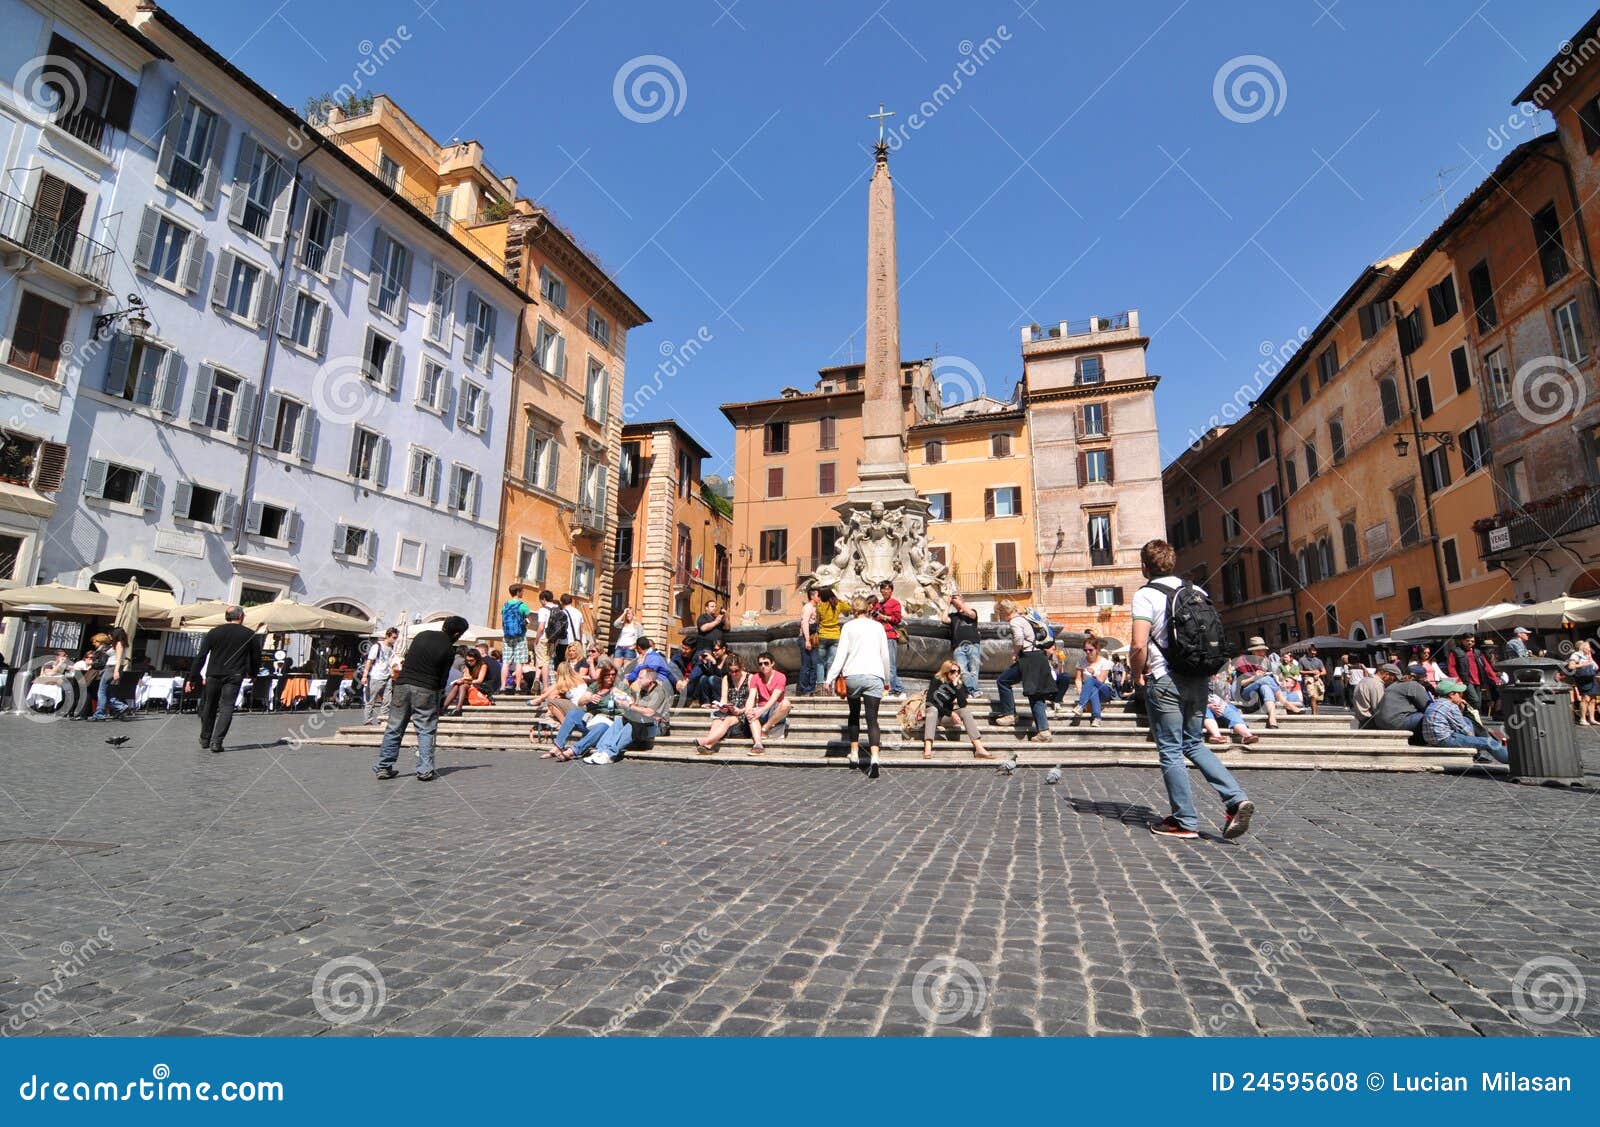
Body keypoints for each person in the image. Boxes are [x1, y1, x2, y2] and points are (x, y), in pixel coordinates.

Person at [1129, 539, 1254, 841]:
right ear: (1173, 563)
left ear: (1144, 566)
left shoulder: (1146, 595)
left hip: (1165, 678)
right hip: (1199, 678)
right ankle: (1235, 799)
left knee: (1171, 749)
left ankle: (1184, 820)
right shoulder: (1197, 591)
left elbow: (1137, 644)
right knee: (1194, 743)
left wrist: (1136, 676)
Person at [373, 616, 468, 780]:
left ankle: (383, 766)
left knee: (394, 728)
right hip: (426, 688)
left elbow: (409, 658)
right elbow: (442, 678)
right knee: (425, 730)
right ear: (457, 633)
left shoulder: (422, 635)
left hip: (403, 684)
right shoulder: (449, 649)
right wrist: (440, 701)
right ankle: (424, 769)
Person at [825, 594, 892, 778]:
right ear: (868, 609)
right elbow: (885, 655)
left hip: (853, 675)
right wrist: (887, 679)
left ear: (853, 611)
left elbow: (840, 655)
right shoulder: (878, 626)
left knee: (854, 714)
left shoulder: (848, 627)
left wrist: (829, 678)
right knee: (872, 718)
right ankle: (875, 758)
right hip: (874, 675)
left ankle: (854, 754)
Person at [189, 607, 264, 754]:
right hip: (234, 675)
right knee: (227, 707)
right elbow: (256, 657)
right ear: (241, 616)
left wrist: (193, 676)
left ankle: (205, 738)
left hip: (213, 673)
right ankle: (217, 741)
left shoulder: (214, 632)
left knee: (209, 705)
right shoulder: (249, 634)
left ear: (226, 617)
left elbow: (201, 656)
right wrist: (253, 673)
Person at [988, 599, 1053, 742]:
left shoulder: (1015, 621)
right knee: (1036, 695)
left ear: (1004, 612)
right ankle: (1044, 731)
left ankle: (1010, 715)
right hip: (1039, 657)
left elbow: (1018, 638)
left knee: (1003, 681)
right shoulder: (1026, 619)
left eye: (999, 613)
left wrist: (1015, 653)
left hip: (1029, 658)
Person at [585, 663, 671, 764]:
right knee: (619, 720)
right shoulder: (643, 691)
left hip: (657, 727)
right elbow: (637, 706)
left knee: (632, 724)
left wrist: (629, 706)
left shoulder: (658, 692)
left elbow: (649, 712)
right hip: (643, 722)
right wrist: (622, 696)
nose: (637, 680)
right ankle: (601, 750)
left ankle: (609, 754)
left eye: (640, 678)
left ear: (650, 679)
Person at [921, 659, 993, 760]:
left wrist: (956, 686)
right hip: (933, 715)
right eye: (953, 671)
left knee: (966, 711)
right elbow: (930, 702)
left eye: (958, 671)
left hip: (944, 718)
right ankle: (927, 748)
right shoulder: (936, 680)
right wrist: (951, 713)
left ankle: (979, 748)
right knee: (933, 710)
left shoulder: (958, 684)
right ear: (946, 671)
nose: (956, 674)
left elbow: (963, 704)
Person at [1422, 678, 1508, 763]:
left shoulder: (1435, 703)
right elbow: (1464, 729)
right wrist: (1475, 740)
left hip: (1431, 738)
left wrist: (1461, 710)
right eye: (1460, 694)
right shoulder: (1451, 706)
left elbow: (1458, 721)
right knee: (1489, 742)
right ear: (1451, 694)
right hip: (1444, 739)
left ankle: (1476, 751)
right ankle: (1509, 759)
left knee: (1466, 720)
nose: (1461, 696)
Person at [1234, 638, 1286, 728]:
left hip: (1261, 693)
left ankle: (1272, 718)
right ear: (1253, 652)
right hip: (1245, 692)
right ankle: (1285, 702)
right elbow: (1241, 684)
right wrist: (1255, 677)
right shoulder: (1242, 661)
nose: (1263, 654)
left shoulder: (1265, 661)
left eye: (1263, 651)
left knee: (1265, 686)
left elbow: (1272, 674)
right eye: (1260, 651)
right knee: (1264, 680)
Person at [1067, 639, 1117, 728]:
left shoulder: (1105, 662)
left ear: (1097, 649)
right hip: (1091, 691)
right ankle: (1097, 718)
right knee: (1093, 689)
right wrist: (1080, 690)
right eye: (1085, 650)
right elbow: (1078, 679)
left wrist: (1094, 673)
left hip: (1105, 690)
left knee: (1090, 680)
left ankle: (1081, 705)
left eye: (1090, 650)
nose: (1088, 652)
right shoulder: (1081, 661)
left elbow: (1101, 680)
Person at [870, 580, 907, 699]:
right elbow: (873, 616)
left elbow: (897, 619)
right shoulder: (879, 604)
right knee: (883, 664)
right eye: (883, 589)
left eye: (888, 589)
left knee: (890, 664)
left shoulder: (895, 603)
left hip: (890, 636)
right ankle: (898, 688)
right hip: (880, 636)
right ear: (880, 590)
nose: (885, 591)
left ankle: (891, 690)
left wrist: (883, 616)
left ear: (892, 590)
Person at [1446, 634, 1496, 714]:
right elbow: (1451, 667)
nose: (1470, 643)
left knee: (1478, 703)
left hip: (1478, 680)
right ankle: (1472, 718)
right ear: (1462, 641)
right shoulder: (1456, 652)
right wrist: (1458, 680)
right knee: (1475, 700)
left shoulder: (1477, 652)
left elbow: (1486, 666)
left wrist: (1495, 678)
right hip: (1465, 681)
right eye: (1467, 641)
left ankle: (1472, 719)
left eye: (1472, 641)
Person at [1375, 667, 1432, 736]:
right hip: (1395, 722)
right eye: (1423, 679)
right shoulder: (1413, 684)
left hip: (1380, 723)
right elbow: (1427, 708)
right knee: (1432, 716)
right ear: (1415, 677)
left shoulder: (1394, 684)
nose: (1425, 681)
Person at [90, 627, 131, 721]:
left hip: (112, 668)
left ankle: (100, 713)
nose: (109, 636)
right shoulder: (120, 644)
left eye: (111, 634)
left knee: (101, 691)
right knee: (109, 692)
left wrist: (116, 671)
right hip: (112, 668)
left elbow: (119, 659)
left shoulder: (119, 644)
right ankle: (120, 707)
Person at [500, 585, 533, 692]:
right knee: (519, 662)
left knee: (506, 663)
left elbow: (503, 622)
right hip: (520, 637)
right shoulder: (522, 606)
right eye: (522, 591)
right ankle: (518, 687)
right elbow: (529, 621)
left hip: (507, 637)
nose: (522, 593)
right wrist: (523, 625)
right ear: (518, 592)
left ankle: (502, 686)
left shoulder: (505, 606)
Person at [362, 627, 398, 724]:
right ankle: (368, 721)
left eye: (396, 638)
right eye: (394, 637)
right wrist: (365, 675)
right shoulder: (377, 646)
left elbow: (390, 661)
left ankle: (383, 720)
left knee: (387, 700)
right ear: (387, 636)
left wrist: (393, 669)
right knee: (371, 701)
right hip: (375, 676)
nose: (395, 640)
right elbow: (369, 661)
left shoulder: (391, 648)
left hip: (387, 677)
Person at [442, 648, 492, 716]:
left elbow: (479, 680)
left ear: (477, 659)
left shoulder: (483, 665)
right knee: (457, 685)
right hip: (472, 686)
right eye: (468, 660)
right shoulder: (467, 665)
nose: (469, 662)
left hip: (482, 687)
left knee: (463, 685)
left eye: (472, 660)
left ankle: (458, 708)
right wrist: (463, 680)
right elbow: (467, 677)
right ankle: (444, 708)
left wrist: (465, 681)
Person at [1565, 640, 1599, 725]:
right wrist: (1582, 665)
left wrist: (1590, 658)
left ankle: (1592, 718)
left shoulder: (1587, 655)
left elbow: (1596, 667)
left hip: (1591, 678)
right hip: (1583, 678)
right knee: (1585, 698)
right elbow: (1571, 666)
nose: (1589, 648)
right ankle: (1583, 719)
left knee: (1592, 699)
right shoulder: (1575, 655)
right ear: (1582, 647)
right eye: (1587, 646)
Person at [1351, 663, 1396, 728]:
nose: (1392, 682)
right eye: (1393, 679)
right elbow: (1379, 709)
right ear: (1386, 674)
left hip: (1364, 721)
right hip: (1371, 723)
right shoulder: (1376, 684)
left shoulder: (1366, 680)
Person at [533, 589, 559, 689]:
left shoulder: (543, 610)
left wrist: (536, 639)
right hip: (554, 640)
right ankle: (538, 681)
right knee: (547, 660)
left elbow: (541, 627)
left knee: (543, 662)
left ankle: (545, 686)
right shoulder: (558, 610)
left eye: (541, 600)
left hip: (544, 638)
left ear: (544, 599)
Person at [815, 588, 842, 681]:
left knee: (820, 662)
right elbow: (848, 610)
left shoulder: (820, 606)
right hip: (835, 636)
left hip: (823, 636)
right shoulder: (838, 604)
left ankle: (820, 685)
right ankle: (830, 683)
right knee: (832, 662)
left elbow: (817, 620)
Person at [797, 589, 820, 696]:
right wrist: (807, 640)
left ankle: (811, 688)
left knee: (813, 664)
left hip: (813, 637)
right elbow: (804, 623)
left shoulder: (816, 607)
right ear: (812, 597)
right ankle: (805, 689)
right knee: (806, 665)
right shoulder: (807, 608)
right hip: (806, 638)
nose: (820, 597)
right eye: (818, 595)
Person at [1299, 644, 1326, 715]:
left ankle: (1315, 712)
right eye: (1312, 652)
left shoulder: (1318, 660)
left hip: (1317, 679)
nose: (1314, 653)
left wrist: (1319, 674)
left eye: (1315, 652)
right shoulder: (1302, 660)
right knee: (1312, 696)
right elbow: (1300, 671)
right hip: (1308, 679)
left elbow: (1324, 671)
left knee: (1317, 697)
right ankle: (1314, 713)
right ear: (1308, 651)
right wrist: (1311, 672)